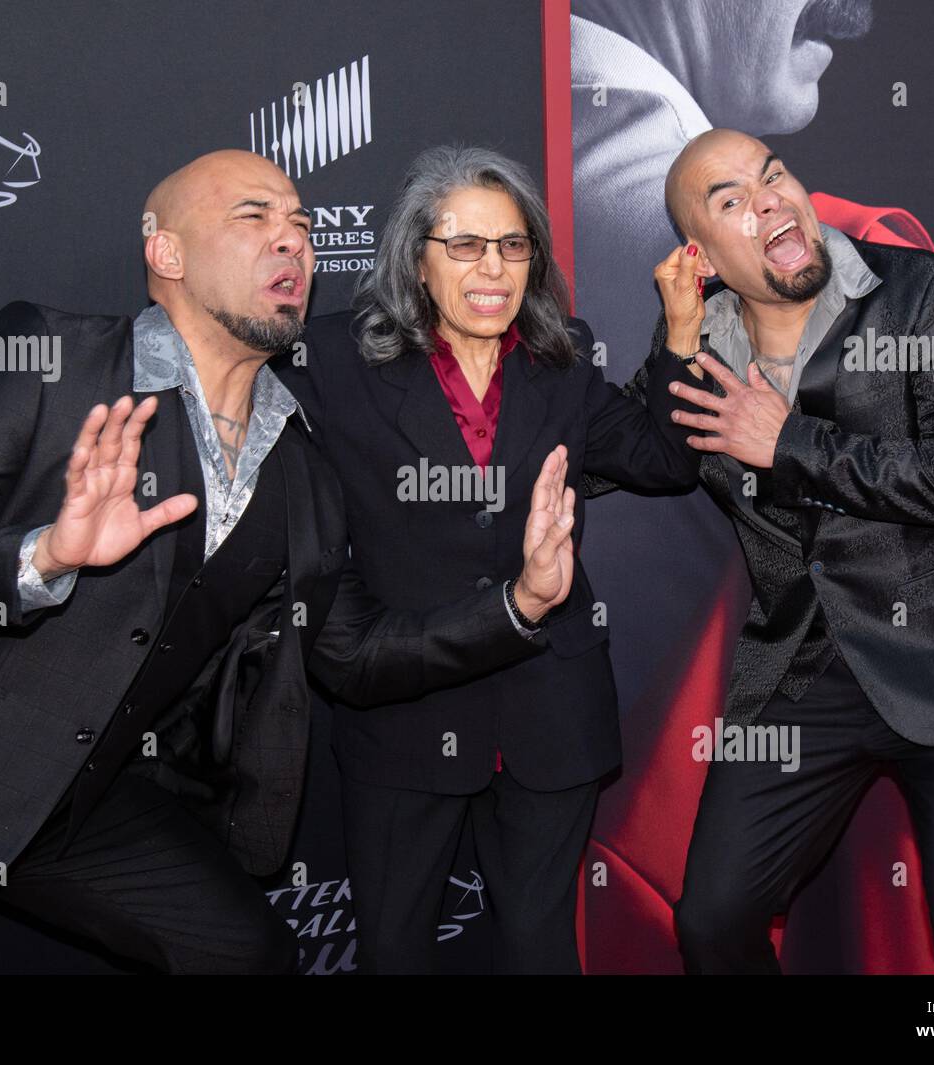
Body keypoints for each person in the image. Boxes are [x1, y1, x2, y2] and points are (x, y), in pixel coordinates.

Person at [0, 149, 581, 975]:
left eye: (302, 226)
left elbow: (351, 653)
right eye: (254, 218)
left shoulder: (301, 471)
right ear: (165, 254)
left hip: (82, 804)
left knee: (251, 956)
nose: (293, 243)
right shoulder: (49, 360)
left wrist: (521, 603)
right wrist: (43, 555)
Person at [610, 127, 934, 974]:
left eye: (772, 176)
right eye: (731, 200)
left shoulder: (922, 296)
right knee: (710, 921)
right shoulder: (701, 353)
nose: (768, 198)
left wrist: (792, 443)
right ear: (699, 256)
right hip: (802, 672)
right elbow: (625, 451)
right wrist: (672, 338)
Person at [274, 144, 701, 974]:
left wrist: (681, 331)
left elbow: (664, 459)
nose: (493, 268)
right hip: (405, 707)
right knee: (396, 950)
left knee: (540, 946)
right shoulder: (330, 361)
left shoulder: (560, 357)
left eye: (513, 245)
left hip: (550, 708)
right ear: (415, 258)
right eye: (464, 245)